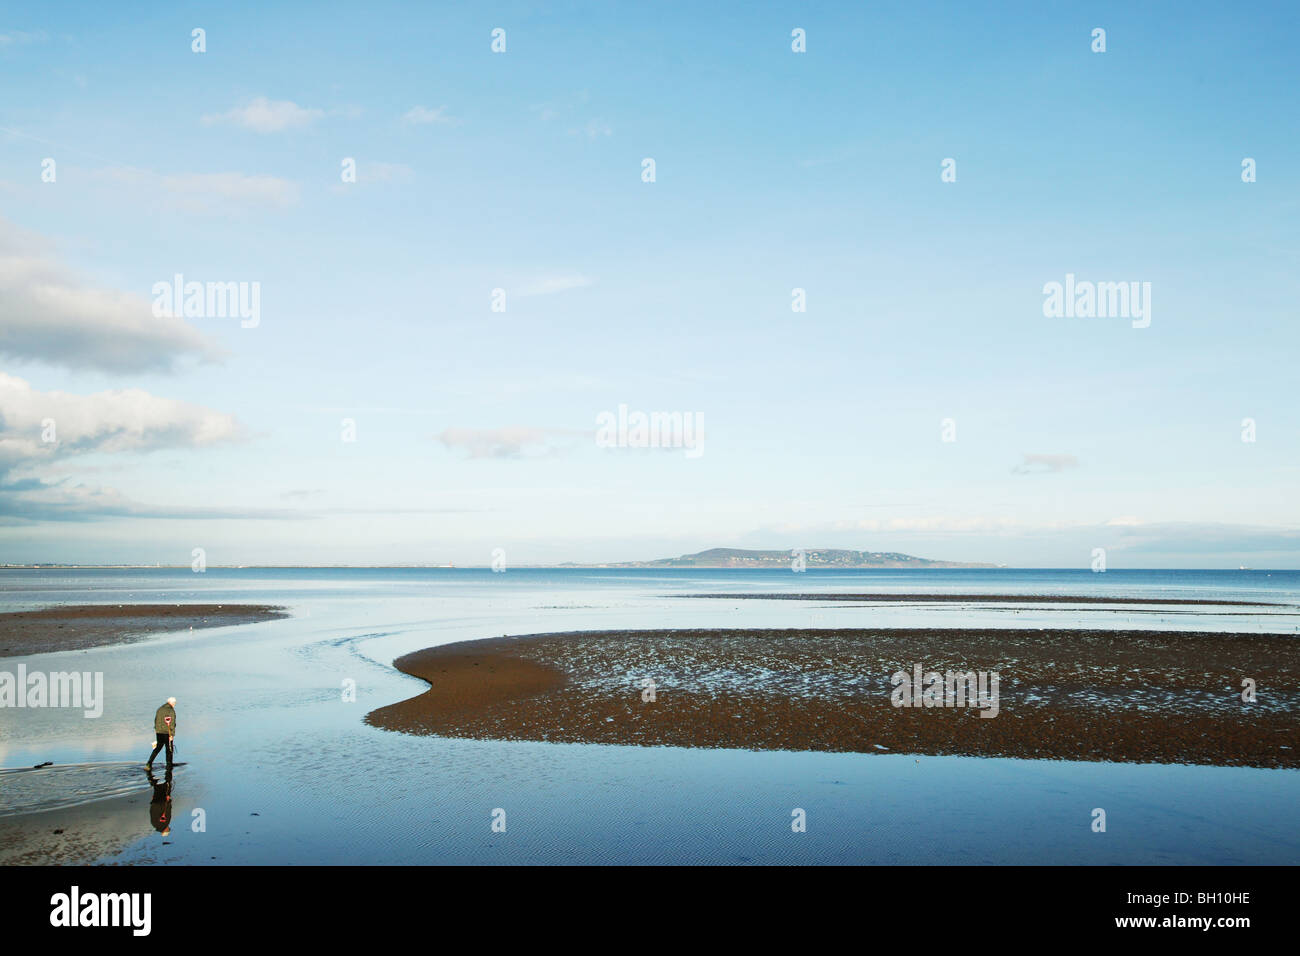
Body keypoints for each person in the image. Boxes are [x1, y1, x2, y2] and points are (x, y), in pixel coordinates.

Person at [146, 697, 177, 769]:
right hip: (167, 732)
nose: (175, 704)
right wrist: (172, 734)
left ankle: (149, 763)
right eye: (175, 703)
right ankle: (169, 765)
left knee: (158, 748)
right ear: (172, 703)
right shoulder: (171, 710)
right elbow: (172, 723)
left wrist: (157, 730)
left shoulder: (160, 709)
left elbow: (156, 720)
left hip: (159, 732)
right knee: (169, 749)